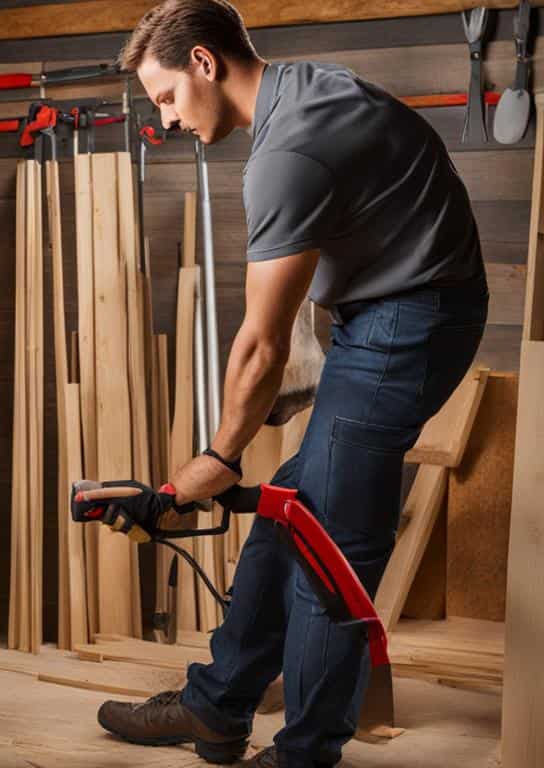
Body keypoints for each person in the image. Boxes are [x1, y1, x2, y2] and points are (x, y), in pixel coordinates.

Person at [92, 1, 488, 766]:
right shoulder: (302, 91)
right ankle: (216, 708)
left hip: (414, 316)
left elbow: (260, 343)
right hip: (388, 304)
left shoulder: (288, 153)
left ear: (205, 63)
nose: (167, 120)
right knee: (289, 512)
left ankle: (305, 752)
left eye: (167, 96)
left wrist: (218, 457)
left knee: (333, 538)